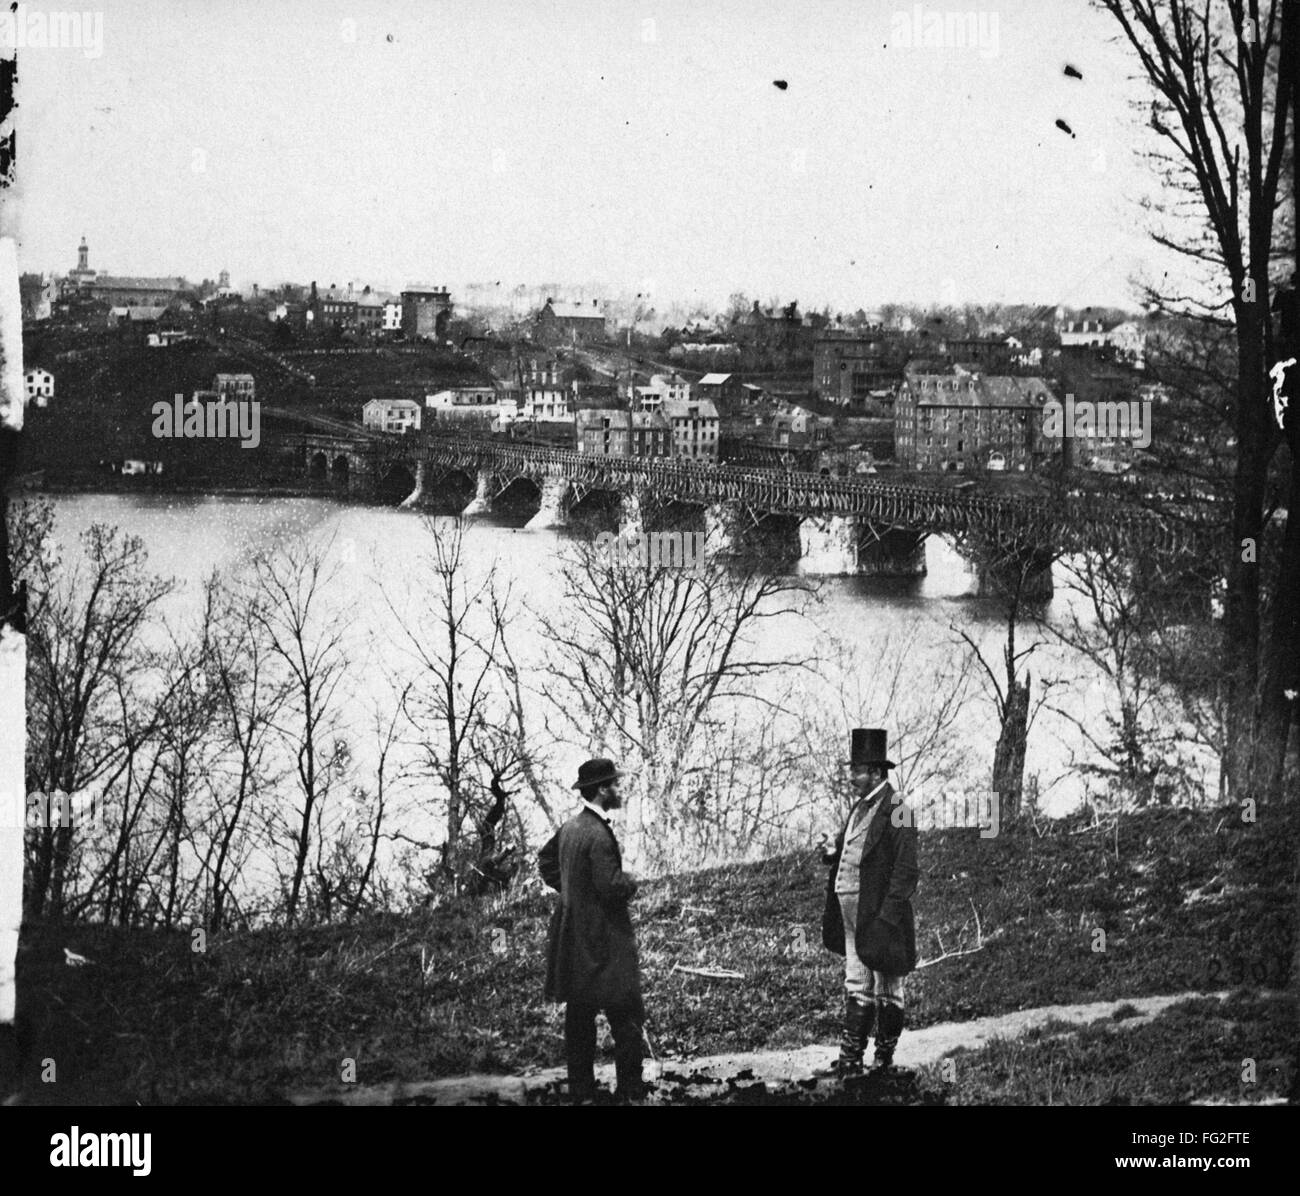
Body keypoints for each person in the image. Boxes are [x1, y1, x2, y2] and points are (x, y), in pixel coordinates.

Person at [538, 758, 645, 1104]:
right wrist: (631, 881)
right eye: (613, 784)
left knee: (580, 1016)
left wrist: (572, 890)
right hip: (605, 943)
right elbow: (611, 886)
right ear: (601, 789)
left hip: (573, 939)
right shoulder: (598, 834)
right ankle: (630, 1091)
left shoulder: (570, 828)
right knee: (626, 1012)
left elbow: (546, 861)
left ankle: (581, 1091)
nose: (618, 789)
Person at [820, 728, 919, 1075]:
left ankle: (882, 1062)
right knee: (858, 984)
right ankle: (850, 1061)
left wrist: (886, 920)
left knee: (888, 989)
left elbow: (906, 870)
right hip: (851, 914)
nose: (851, 778)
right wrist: (833, 852)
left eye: (857, 770)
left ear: (876, 773)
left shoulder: (899, 809)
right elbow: (858, 852)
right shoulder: (861, 808)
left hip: (880, 917)